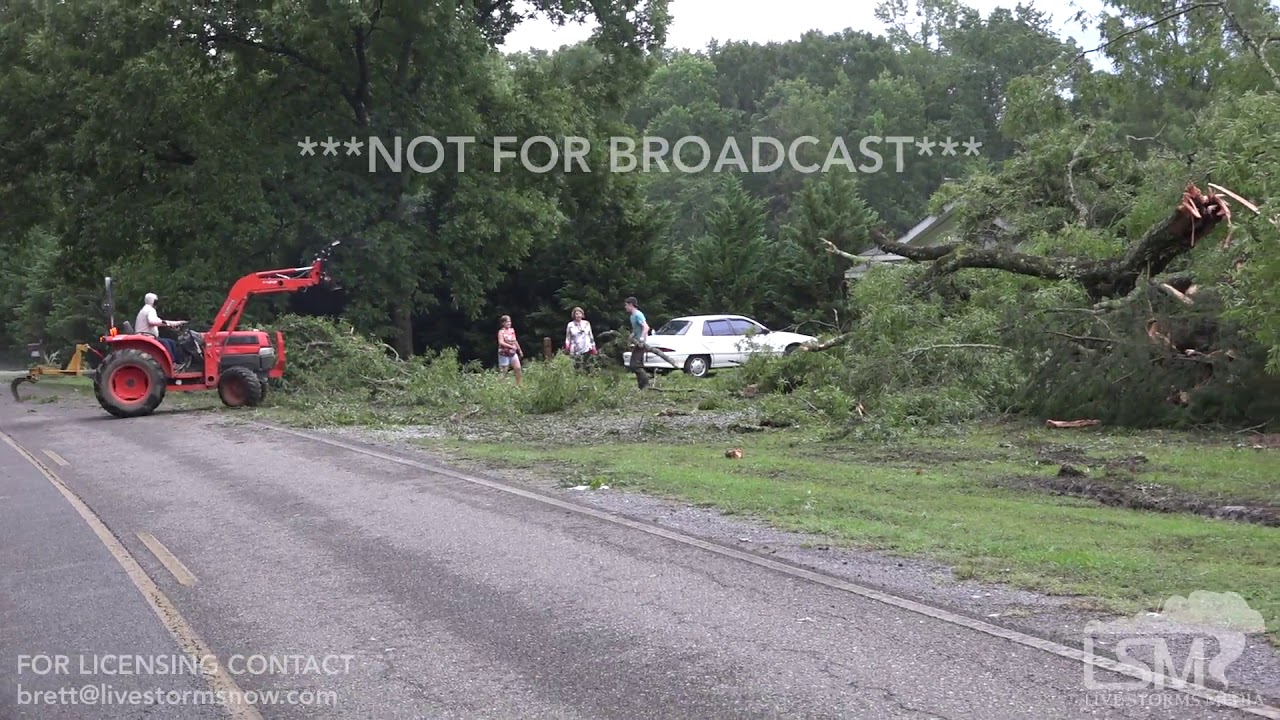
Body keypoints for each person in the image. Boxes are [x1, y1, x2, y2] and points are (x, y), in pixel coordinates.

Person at [135, 292, 185, 365]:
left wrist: (175, 323)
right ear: (153, 301)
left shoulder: (145, 309)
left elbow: (159, 321)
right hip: (148, 337)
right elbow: (153, 321)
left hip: (147, 336)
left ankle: (177, 363)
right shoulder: (150, 310)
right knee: (166, 343)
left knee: (171, 342)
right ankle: (172, 363)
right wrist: (168, 324)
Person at [624, 296, 650, 389]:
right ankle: (641, 387)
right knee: (638, 364)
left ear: (631, 305)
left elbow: (646, 327)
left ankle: (646, 384)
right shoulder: (632, 316)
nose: (625, 307)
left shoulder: (638, 314)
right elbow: (636, 329)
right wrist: (631, 336)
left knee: (634, 365)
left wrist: (641, 340)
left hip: (641, 343)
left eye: (626, 305)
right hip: (636, 342)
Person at [497, 314, 524, 385]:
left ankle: (519, 384)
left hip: (513, 353)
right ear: (503, 323)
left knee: (518, 368)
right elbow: (501, 342)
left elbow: (515, 341)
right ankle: (501, 386)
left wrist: (519, 350)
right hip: (504, 354)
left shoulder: (512, 330)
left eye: (509, 321)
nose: (509, 323)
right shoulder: (501, 332)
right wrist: (510, 346)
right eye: (507, 322)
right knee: (504, 371)